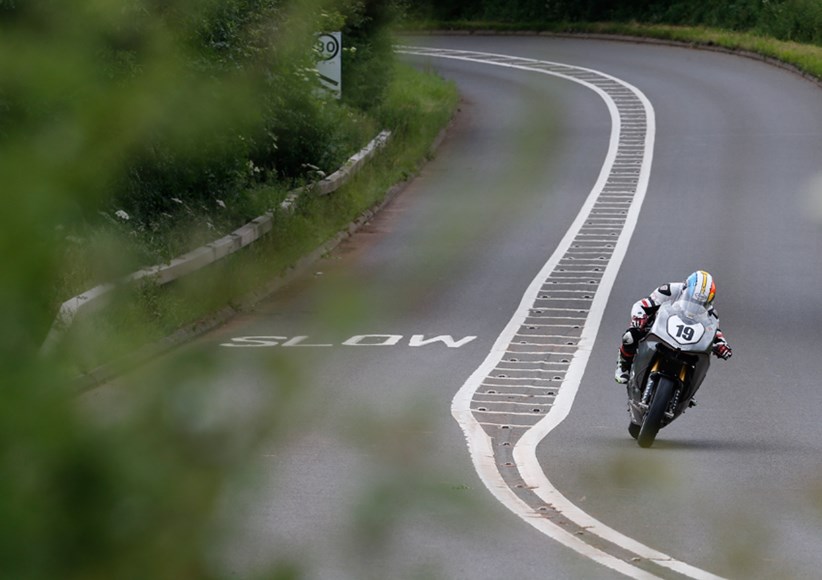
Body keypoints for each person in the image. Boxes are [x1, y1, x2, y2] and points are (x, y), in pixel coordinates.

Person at [615, 270, 732, 384]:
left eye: (702, 303)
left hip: (686, 341)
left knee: (699, 359)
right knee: (630, 336)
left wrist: (722, 345)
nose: (697, 305)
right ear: (685, 289)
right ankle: (624, 364)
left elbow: (714, 331)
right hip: (659, 328)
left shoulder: (711, 313)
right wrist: (639, 317)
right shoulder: (669, 290)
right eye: (693, 300)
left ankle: (687, 388)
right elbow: (641, 305)